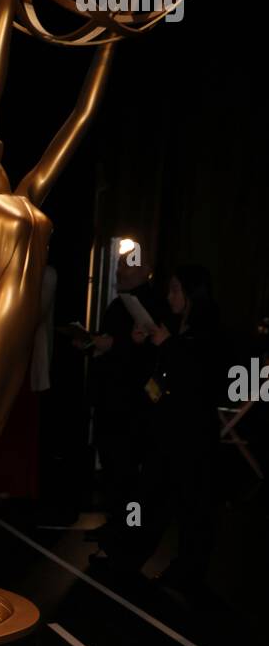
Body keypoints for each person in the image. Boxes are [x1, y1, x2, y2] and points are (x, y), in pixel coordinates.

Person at [124, 264, 224, 595]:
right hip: (171, 434)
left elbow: (200, 378)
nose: (170, 296)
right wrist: (149, 343)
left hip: (193, 438)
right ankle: (128, 557)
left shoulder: (209, 330)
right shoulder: (182, 327)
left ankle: (185, 574)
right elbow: (166, 374)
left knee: (191, 509)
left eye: (176, 289)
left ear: (193, 293)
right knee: (155, 497)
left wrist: (167, 345)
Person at [87, 252, 163, 564]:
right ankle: (116, 526)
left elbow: (149, 358)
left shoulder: (150, 305)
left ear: (145, 271)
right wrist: (95, 343)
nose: (119, 269)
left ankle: (124, 536)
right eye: (118, 264)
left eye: (126, 265)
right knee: (114, 471)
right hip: (111, 400)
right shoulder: (120, 303)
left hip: (132, 406)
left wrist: (119, 345)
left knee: (126, 474)